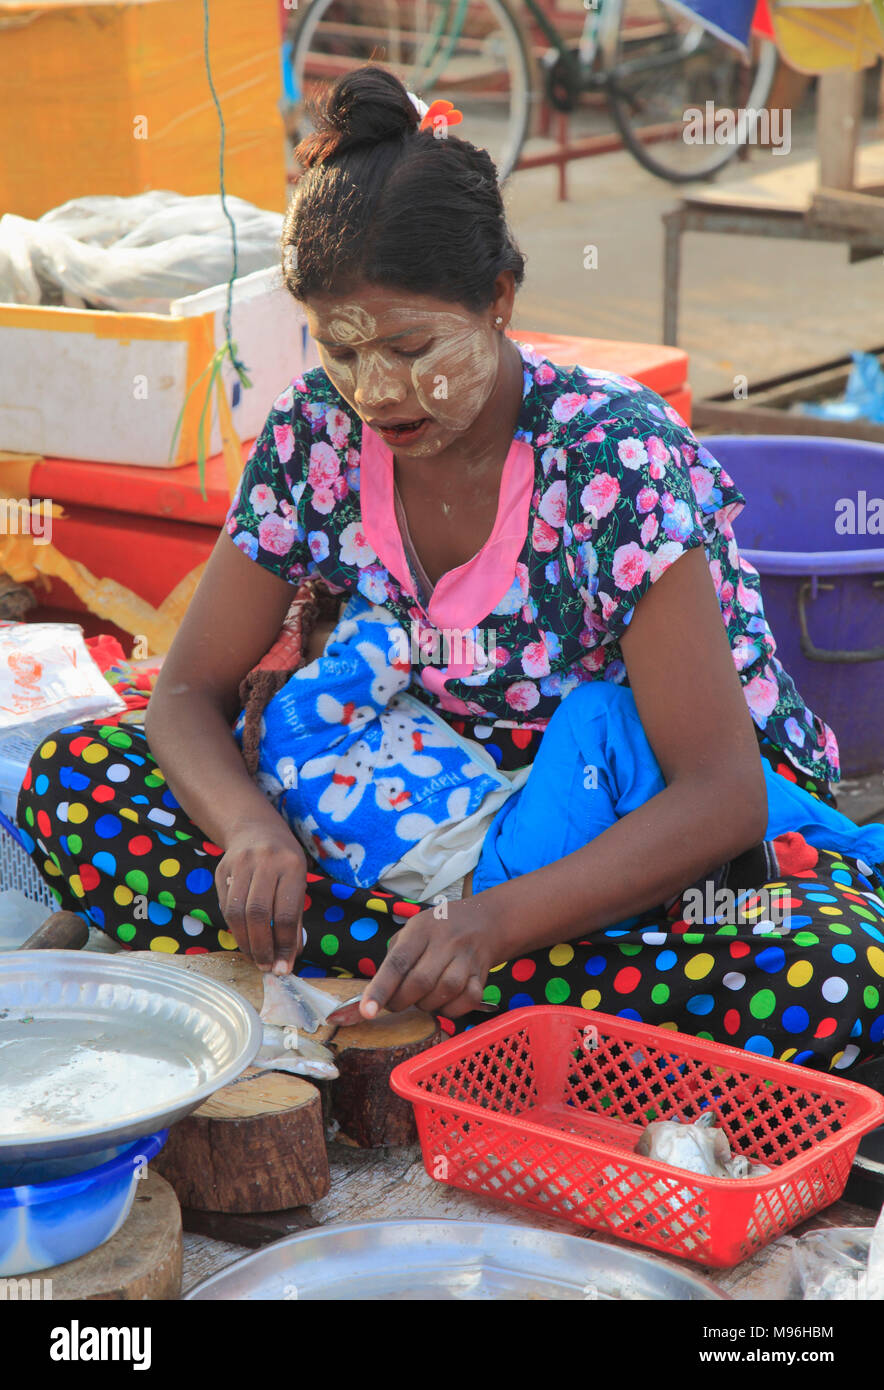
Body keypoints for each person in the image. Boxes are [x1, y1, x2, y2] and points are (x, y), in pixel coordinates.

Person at [17, 66, 884, 1073]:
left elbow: (719, 796)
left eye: (410, 346)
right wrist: (252, 833)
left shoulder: (611, 458)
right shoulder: (316, 438)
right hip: (424, 818)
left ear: (499, 299)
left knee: (827, 971)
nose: (375, 392)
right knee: (77, 783)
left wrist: (491, 921)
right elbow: (183, 695)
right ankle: (497, 1000)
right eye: (339, 352)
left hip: (639, 843)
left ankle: (421, 974)